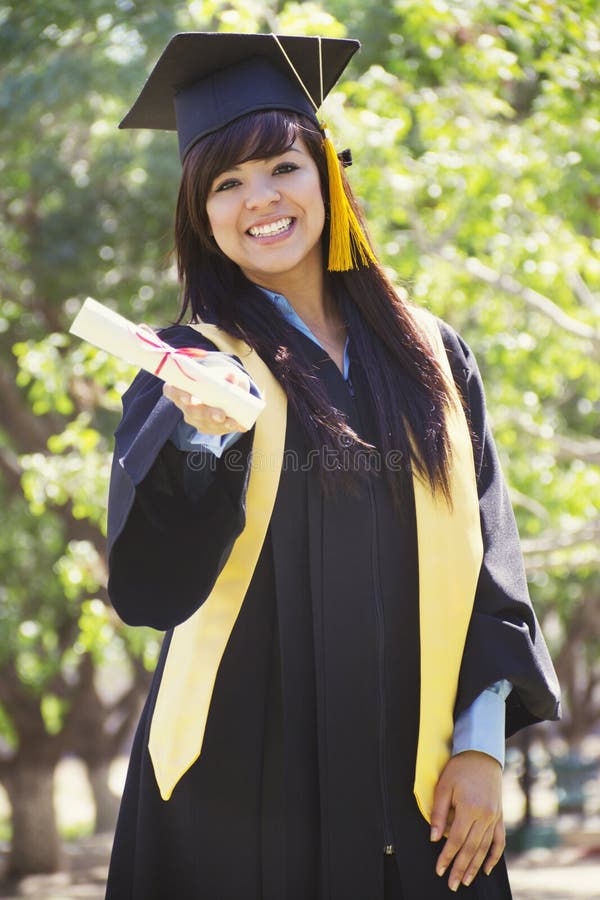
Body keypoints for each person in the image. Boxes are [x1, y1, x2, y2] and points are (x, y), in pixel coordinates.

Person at [104, 32, 560, 900]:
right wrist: (202, 443)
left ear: (327, 177)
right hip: (239, 797)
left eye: (283, 167)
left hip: (423, 793)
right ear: (200, 215)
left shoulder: (431, 355)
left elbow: (492, 564)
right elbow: (152, 587)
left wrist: (481, 748)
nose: (260, 199)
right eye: (226, 184)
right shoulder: (192, 367)